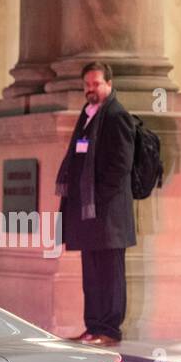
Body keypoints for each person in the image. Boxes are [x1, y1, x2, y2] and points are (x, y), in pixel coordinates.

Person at [55, 61, 136, 347]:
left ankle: (109, 330)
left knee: (110, 275)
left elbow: (121, 166)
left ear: (109, 84)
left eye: (96, 84)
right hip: (88, 213)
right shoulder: (88, 114)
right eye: (87, 84)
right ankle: (92, 327)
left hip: (108, 214)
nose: (90, 89)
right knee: (91, 273)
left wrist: (98, 199)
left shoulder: (116, 115)